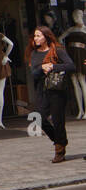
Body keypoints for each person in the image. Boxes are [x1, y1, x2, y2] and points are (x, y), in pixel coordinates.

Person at [28, 26, 74, 162]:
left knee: (58, 120)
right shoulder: (34, 54)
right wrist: (42, 68)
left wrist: (53, 66)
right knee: (38, 117)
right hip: (42, 90)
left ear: (46, 37)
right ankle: (60, 140)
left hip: (57, 89)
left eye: (38, 36)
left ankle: (59, 150)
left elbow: (71, 66)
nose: (35, 38)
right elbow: (34, 74)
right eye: (35, 36)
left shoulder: (57, 50)